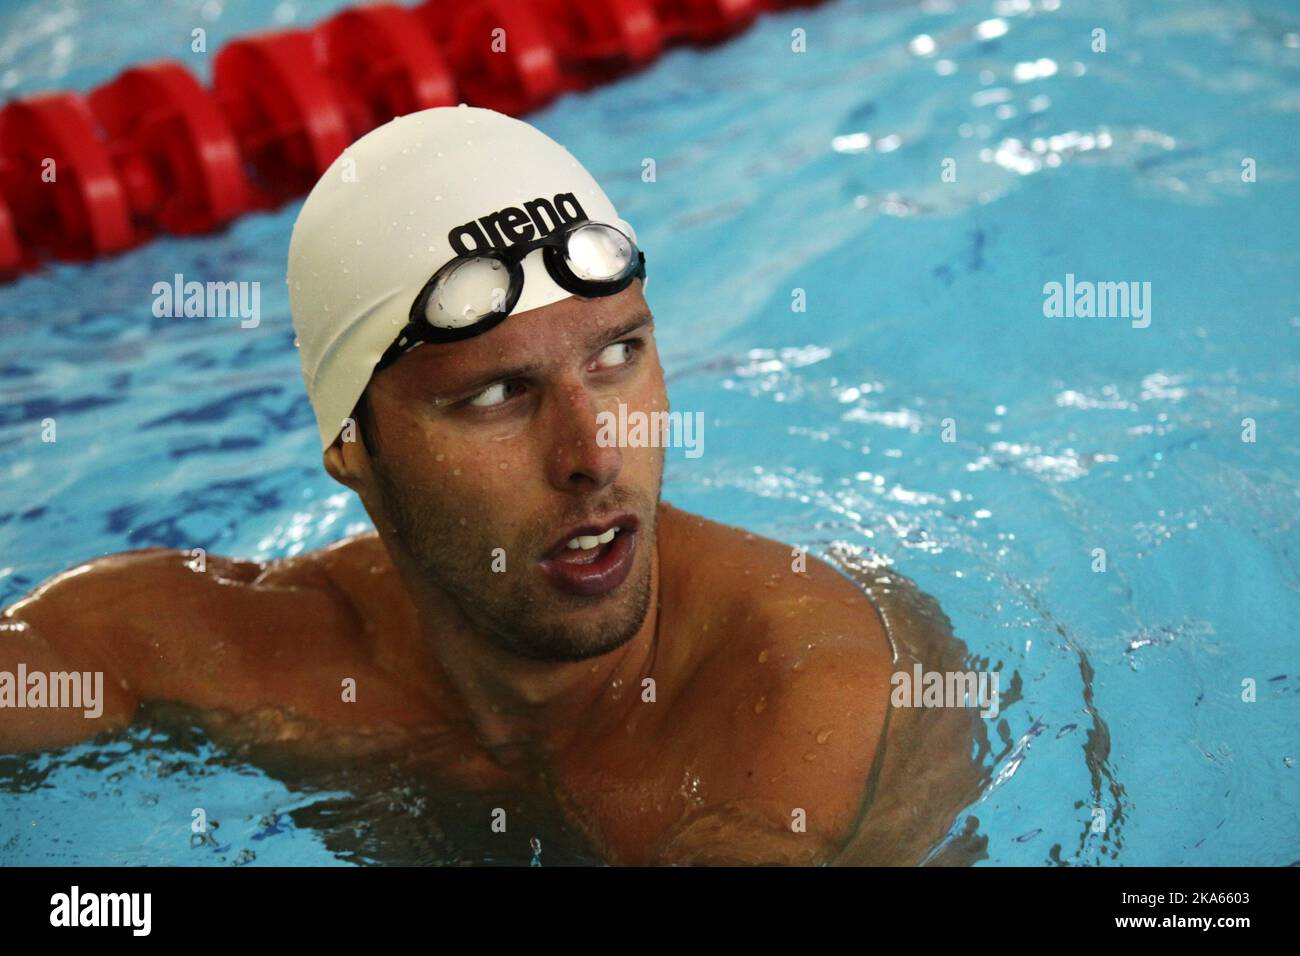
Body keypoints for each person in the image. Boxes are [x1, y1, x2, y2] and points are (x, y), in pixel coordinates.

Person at [0, 106, 987, 864]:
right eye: (496, 393)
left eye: (617, 357)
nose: (594, 453)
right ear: (352, 445)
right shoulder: (238, 646)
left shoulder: (805, 701)